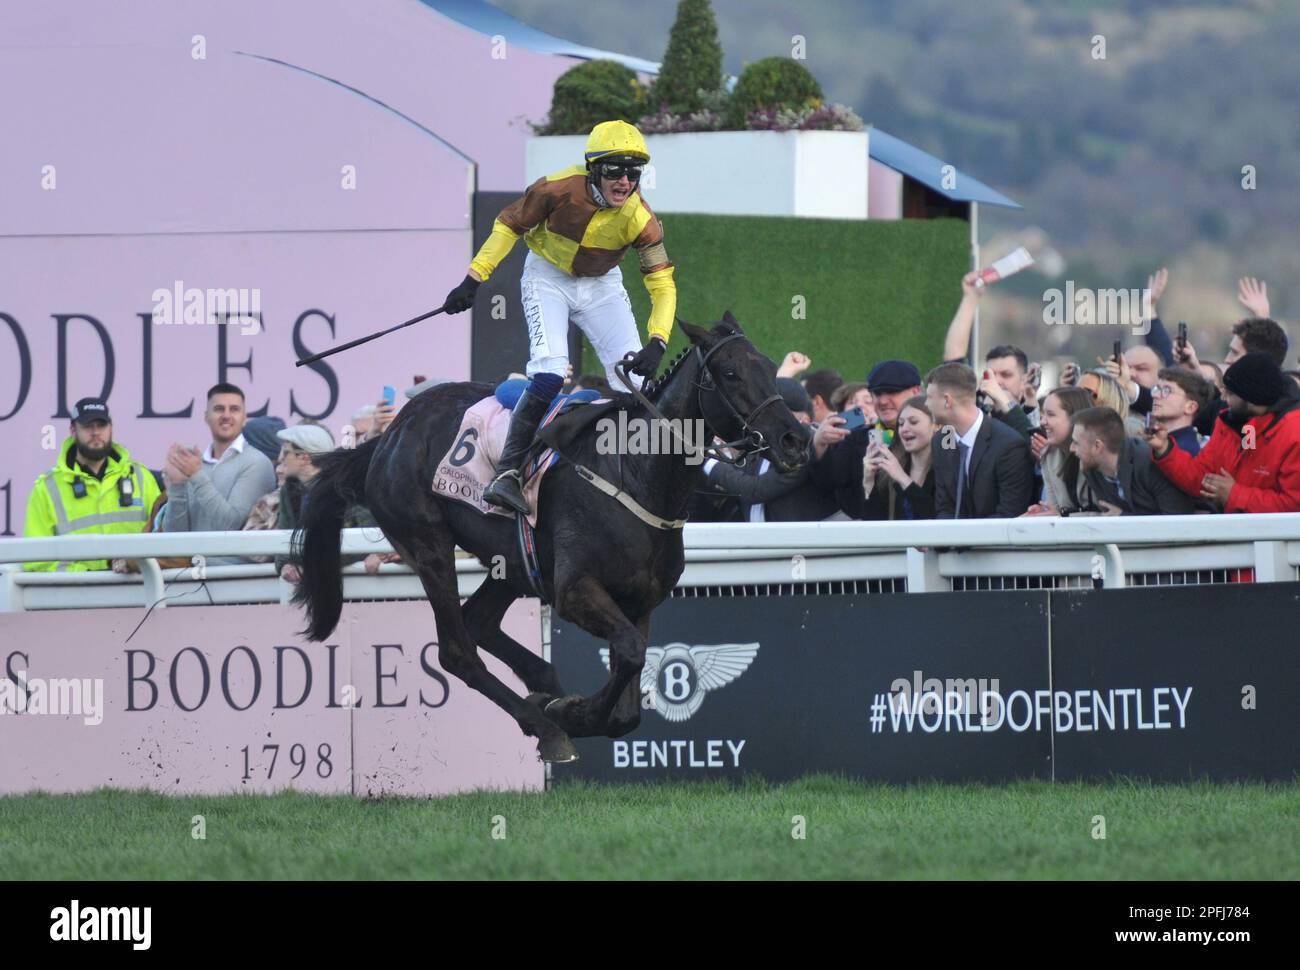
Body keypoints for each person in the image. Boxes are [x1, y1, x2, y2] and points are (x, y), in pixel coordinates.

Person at [442, 120, 675, 516]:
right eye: (615, 170)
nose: (624, 181)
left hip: (601, 286)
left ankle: (644, 478)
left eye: (633, 173)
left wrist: (658, 341)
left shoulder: (641, 218)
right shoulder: (554, 188)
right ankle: (508, 473)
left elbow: (663, 284)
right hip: (547, 277)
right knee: (549, 373)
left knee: (640, 383)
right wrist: (474, 277)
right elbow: (508, 227)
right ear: (594, 168)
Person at [1148, 352, 1300, 513]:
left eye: (1230, 393)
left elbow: (1293, 505)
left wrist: (1233, 495)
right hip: (1234, 530)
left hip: (1277, 536)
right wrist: (1165, 449)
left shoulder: (1293, 434)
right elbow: (1202, 477)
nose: (1223, 398)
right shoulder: (1229, 422)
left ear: (1250, 399)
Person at [22, 397, 162, 571]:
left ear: (111, 429)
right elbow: (35, 561)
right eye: (88, 426)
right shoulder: (46, 488)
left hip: (138, 591)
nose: (96, 432)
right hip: (77, 595)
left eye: (101, 425)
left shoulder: (141, 476)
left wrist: (133, 563)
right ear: (73, 431)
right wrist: (86, 575)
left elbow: (162, 538)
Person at [161, 382, 277, 564]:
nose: (226, 416)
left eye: (234, 409)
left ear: (244, 417)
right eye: (219, 409)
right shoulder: (195, 464)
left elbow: (231, 526)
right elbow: (174, 537)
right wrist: (177, 486)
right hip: (189, 579)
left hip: (233, 583)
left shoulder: (257, 463)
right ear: (206, 417)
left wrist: (196, 476)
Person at [698, 379, 837, 522]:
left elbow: (754, 490)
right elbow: (731, 485)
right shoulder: (761, 442)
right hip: (754, 539)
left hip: (793, 540)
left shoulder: (804, 447)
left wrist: (707, 461)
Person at [809, 360, 922, 513]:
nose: (882, 401)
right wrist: (819, 443)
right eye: (876, 393)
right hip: (867, 531)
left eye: (892, 392)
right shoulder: (856, 438)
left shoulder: (939, 436)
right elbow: (828, 483)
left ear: (916, 392)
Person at [926, 362, 1035, 519]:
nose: (926, 403)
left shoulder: (1008, 445)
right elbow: (945, 507)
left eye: (929, 397)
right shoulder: (943, 439)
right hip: (954, 540)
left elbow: (1009, 514)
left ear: (947, 401)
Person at [1068, 407, 1193, 515]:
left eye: (1076, 443)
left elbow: (1177, 518)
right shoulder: (1091, 466)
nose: (1071, 448)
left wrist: (1123, 517)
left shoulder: (1149, 462)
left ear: (1097, 446)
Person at [858, 395, 936, 520]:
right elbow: (873, 523)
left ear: (936, 426)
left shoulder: (946, 469)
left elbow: (937, 518)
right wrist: (868, 481)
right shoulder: (892, 470)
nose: (904, 429)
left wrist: (903, 478)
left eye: (913, 422)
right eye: (900, 424)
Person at [1023, 386, 1095, 515]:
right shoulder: (1049, 454)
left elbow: (1109, 515)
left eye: (1050, 415)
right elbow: (1055, 508)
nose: (1043, 421)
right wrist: (1042, 512)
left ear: (1075, 417)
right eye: (1043, 414)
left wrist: (1062, 515)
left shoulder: (1097, 455)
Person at [1151, 368, 1213, 457]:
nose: (1155, 395)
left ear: (1190, 407)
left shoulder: (1186, 451)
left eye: (1166, 390)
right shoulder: (1155, 439)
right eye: (1157, 389)